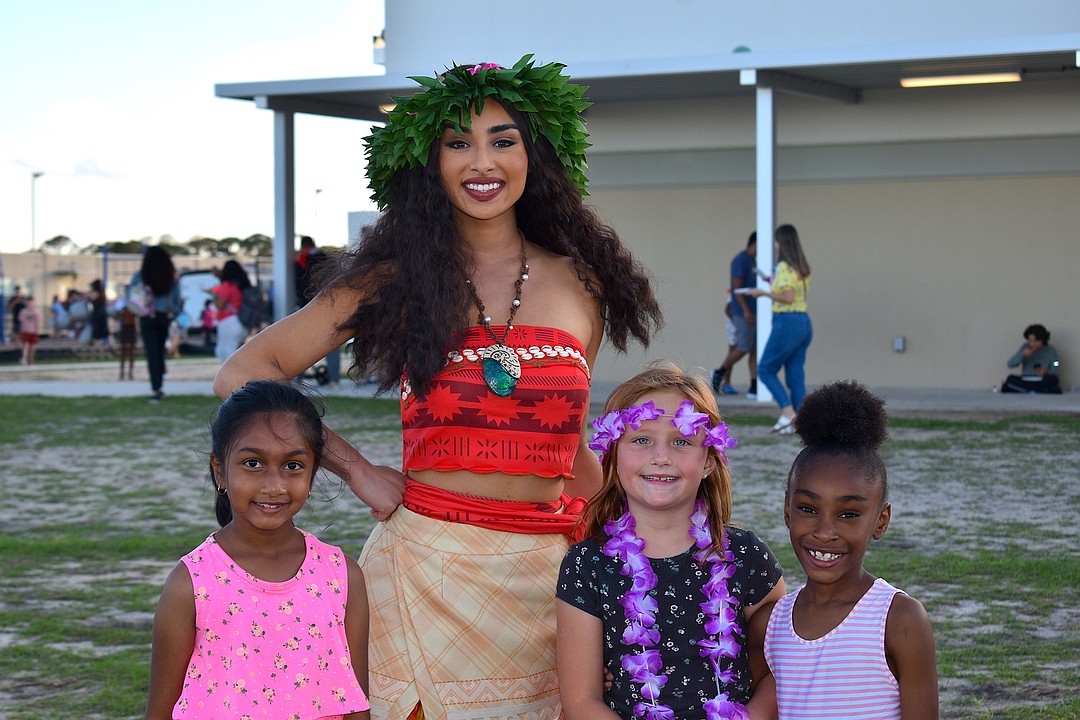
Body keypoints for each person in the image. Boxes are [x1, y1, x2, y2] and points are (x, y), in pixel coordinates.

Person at [214, 55, 662, 720]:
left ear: (534, 155)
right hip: (423, 576)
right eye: (458, 143)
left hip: (549, 579)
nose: (482, 163)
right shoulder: (396, 280)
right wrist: (356, 469)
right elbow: (243, 372)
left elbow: (567, 448)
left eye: (503, 141)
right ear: (431, 162)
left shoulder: (582, 284)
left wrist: (644, 538)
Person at [557, 363, 786, 719]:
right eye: (641, 439)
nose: (661, 457)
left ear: (709, 461)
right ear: (613, 454)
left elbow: (781, 670)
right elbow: (581, 700)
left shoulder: (745, 554)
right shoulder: (587, 565)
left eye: (682, 441)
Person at [144, 380, 371, 719]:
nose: (274, 485)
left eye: (292, 466)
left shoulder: (341, 576)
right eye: (253, 463)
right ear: (220, 470)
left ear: (312, 472)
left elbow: (355, 703)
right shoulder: (191, 583)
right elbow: (160, 712)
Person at [746, 380, 938, 720]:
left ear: (880, 520)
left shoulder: (899, 620)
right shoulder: (769, 626)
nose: (825, 532)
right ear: (787, 510)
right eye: (808, 509)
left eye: (848, 514)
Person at [747, 224, 812, 434]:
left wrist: (762, 293)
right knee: (795, 373)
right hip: (803, 322)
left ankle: (788, 413)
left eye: (776, 240)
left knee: (765, 369)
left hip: (787, 322)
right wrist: (769, 280)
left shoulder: (784, 266)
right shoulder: (801, 266)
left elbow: (788, 297)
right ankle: (802, 422)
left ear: (781, 242)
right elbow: (790, 289)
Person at [129, 246, 181, 402]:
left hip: (146, 317)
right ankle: (160, 382)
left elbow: (131, 295)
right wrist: (174, 313)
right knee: (159, 351)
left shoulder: (141, 275)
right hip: (164, 316)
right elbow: (176, 299)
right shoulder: (170, 276)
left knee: (152, 353)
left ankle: (156, 389)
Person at [713, 232, 759, 398]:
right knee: (743, 347)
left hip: (755, 312)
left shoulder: (753, 260)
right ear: (755, 243)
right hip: (743, 313)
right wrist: (746, 310)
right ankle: (719, 373)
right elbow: (737, 288)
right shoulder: (741, 260)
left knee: (755, 349)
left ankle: (754, 385)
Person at [296, 235, 342, 387]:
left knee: (301, 345)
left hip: (307, 307)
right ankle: (334, 379)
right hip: (328, 306)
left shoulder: (301, 260)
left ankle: (298, 379)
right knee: (332, 343)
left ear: (302, 245)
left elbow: (298, 286)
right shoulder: (327, 258)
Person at [1000, 323, 1063, 394]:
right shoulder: (1025, 347)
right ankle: (1036, 390)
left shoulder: (1051, 351)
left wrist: (1046, 372)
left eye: (1035, 341)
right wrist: (1022, 355)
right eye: (1030, 341)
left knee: (1054, 380)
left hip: (1042, 380)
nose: (1032, 344)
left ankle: (1026, 390)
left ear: (1042, 340)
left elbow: (1056, 365)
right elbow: (1010, 364)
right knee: (1010, 378)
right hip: (1026, 380)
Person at [212, 259, 253, 362]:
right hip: (239, 321)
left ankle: (231, 373)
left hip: (228, 322)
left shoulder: (227, 285)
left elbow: (219, 305)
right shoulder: (239, 285)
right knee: (230, 351)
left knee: (226, 354)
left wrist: (213, 294)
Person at [116, 299, 138, 380]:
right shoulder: (123, 306)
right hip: (125, 328)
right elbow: (117, 314)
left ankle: (129, 373)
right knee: (124, 351)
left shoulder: (133, 306)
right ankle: (122, 373)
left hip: (131, 328)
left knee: (130, 352)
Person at [17, 295, 41, 366]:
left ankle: (31, 361)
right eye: (29, 302)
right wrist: (21, 331)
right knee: (26, 346)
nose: (30, 304)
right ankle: (24, 360)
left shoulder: (36, 312)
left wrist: (37, 331)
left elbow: (37, 322)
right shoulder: (23, 311)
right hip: (25, 331)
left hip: (33, 331)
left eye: (32, 302)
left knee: (33, 348)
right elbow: (20, 321)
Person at [88, 279, 109, 345]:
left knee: (97, 329)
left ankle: (97, 342)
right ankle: (103, 342)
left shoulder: (95, 293)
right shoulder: (102, 292)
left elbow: (90, 298)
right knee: (103, 329)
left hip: (97, 313)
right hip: (102, 312)